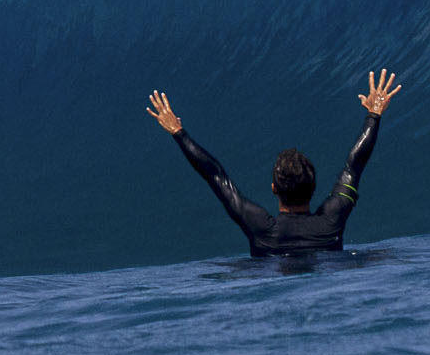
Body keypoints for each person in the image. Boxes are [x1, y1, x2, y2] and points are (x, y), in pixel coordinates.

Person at [147, 71, 400, 257]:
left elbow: (215, 175)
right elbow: (354, 166)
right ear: (313, 187)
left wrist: (178, 132)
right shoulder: (331, 219)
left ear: (273, 188)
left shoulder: (261, 228)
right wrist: (373, 115)